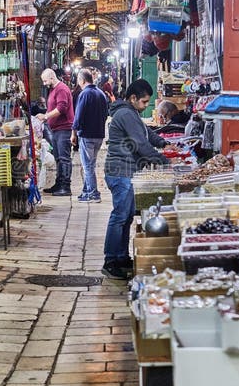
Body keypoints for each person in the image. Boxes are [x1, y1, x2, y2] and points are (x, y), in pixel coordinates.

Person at [102, 79, 168, 280]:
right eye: (144, 101)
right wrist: (163, 160)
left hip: (128, 172)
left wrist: (163, 143)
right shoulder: (126, 114)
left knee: (127, 216)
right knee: (120, 216)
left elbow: (146, 134)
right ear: (133, 98)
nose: (146, 105)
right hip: (120, 171)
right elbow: (140, 143)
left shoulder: (132, 113)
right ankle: (111, 261)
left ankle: (121, 257)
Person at [71, 68, 108, 203]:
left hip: (87, 135)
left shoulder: (84, 94)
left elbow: (78, 116)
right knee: (90, 164)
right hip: (99, 134)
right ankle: (86, 191)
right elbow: (105, 114)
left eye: (78, 80)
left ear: (82, 80)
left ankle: (93, 194)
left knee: (87, 166)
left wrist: (74, 133)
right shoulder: (101, 93)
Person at [37, 68, 74, 196]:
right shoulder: (53, 90)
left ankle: (65, 186)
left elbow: (61, 108)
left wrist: (45, 116)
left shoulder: (61, 89)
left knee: (64, 158)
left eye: (45, 80)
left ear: (52, 78)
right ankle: (59, 184)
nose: (44, 83)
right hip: (57, 129)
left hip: (64, 129)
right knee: (58, 157)